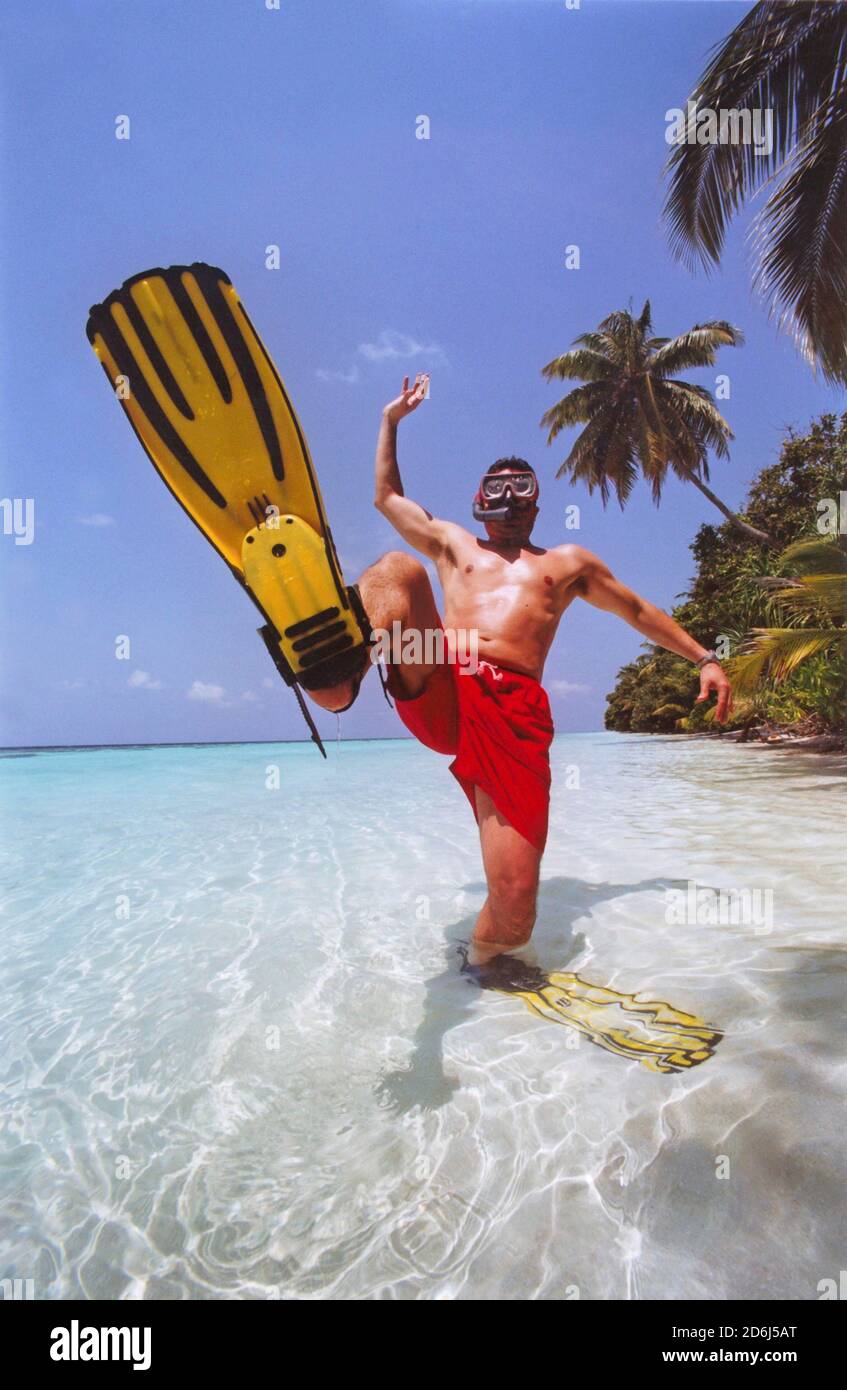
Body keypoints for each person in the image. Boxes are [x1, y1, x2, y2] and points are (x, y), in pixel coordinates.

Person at [307, 373, 732, 963]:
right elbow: (386, 497)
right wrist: (390, 420)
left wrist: (704, 657)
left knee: (515, 910)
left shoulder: (566, 563)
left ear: (535, 501)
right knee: (398, 570)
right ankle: (341, 671)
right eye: (496, 489)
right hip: (442, 674)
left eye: (518, 488)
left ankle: (478, 963)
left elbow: (635, 609)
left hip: (515, 714)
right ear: (480, 501)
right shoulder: (455, 545)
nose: (507, 500)